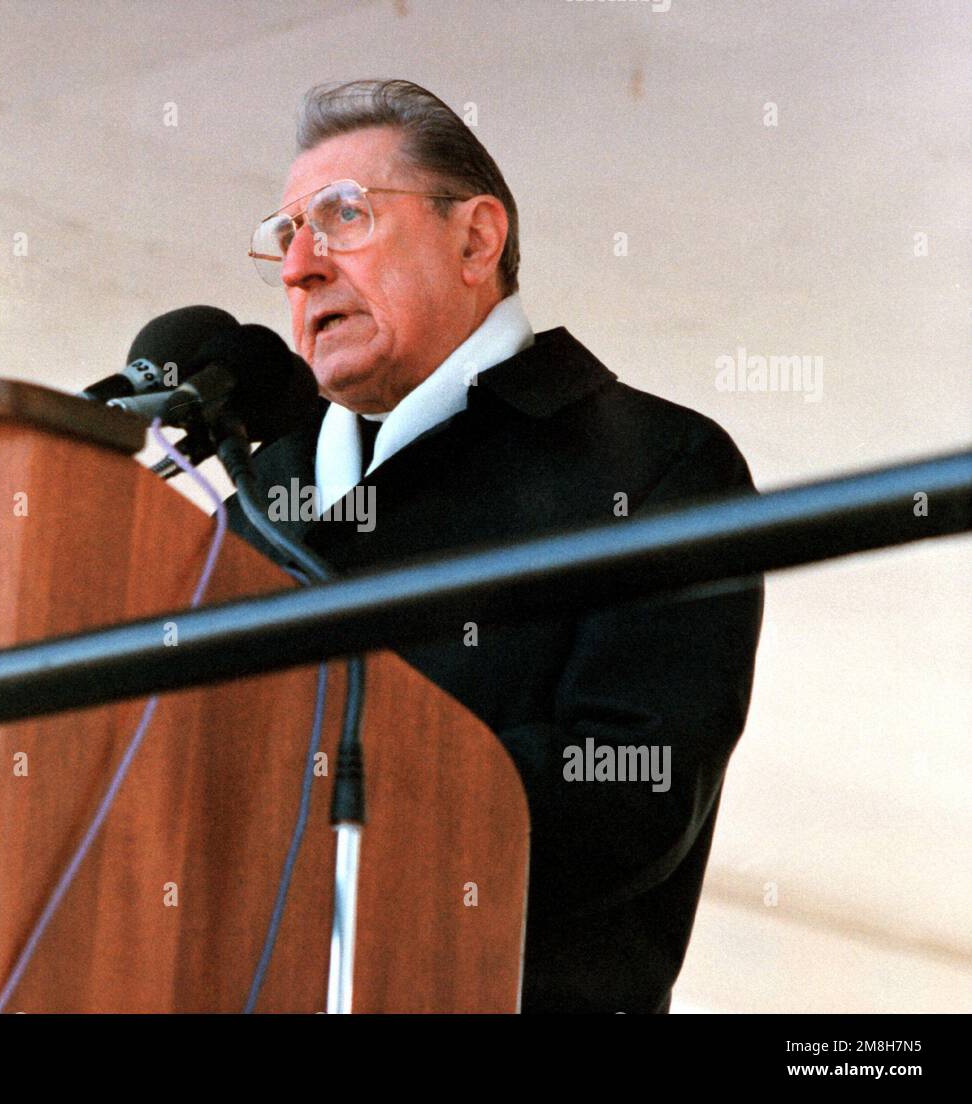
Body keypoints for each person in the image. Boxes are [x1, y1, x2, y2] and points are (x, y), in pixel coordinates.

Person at [225, 78, 763, 1013]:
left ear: (477, 238)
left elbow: (632, 793)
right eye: (285, 236)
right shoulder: (258, 496)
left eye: (341, 217)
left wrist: (318, 795)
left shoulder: (656, 465)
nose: (299, 268)